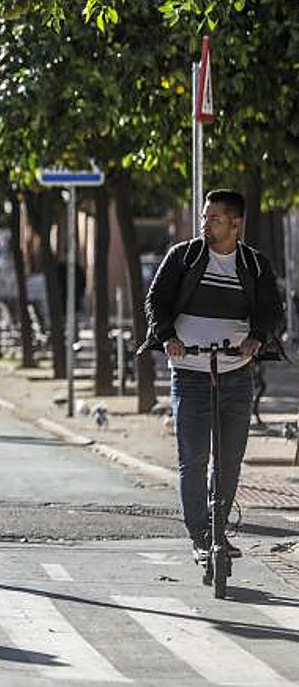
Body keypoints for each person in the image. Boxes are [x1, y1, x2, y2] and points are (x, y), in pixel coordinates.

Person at [139, 189, 284, 564]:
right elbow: (156, 301)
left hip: (236, 373)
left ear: (236, 224)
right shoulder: (183, 257)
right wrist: (168, 337)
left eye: (214, 219)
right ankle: (200, 534)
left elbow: (271, 310)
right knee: (194, 458)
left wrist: (257, 338)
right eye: (204, 217)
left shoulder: (253, 265)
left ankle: (219, 530)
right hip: (189, 373)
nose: (205, 224)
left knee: (230, 458)